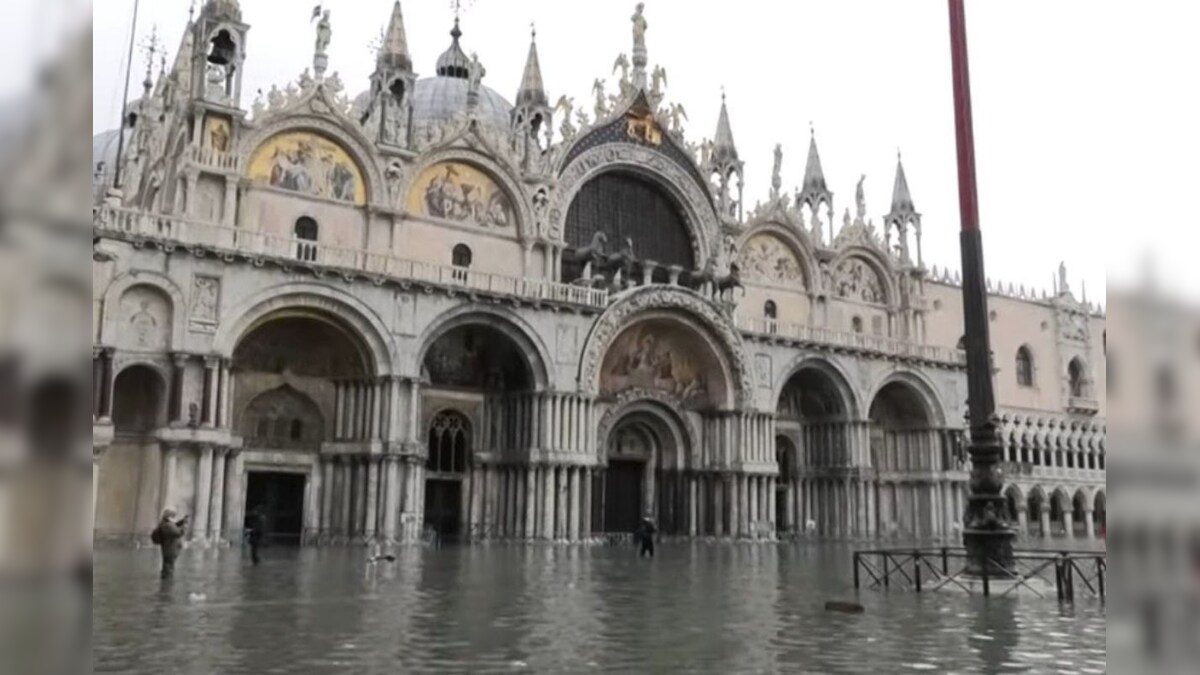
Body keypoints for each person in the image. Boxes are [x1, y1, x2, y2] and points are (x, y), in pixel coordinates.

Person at [151, 509, 188, 579]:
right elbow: (178, 533)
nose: (175, 518)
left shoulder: (166, 524)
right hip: (170, 550)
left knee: (168, 566)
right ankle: (166, 583)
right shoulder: (167, 525)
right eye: (173, 517)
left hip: (168, 549)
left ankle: (166, 579)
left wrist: (182, 521)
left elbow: (174, 525)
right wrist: (185, 526)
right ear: (169, 517)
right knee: (169, 567)